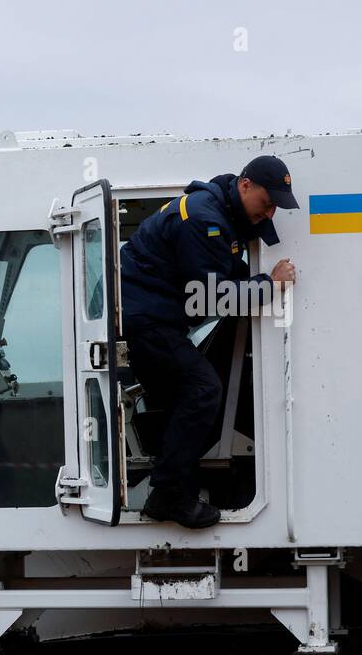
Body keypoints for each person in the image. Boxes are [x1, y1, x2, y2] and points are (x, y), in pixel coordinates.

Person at [120, 155, 298, 529]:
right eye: (267, 204)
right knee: (203, 390)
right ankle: (168, 495)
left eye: (275, 209)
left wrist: (260, 235)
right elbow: (215, 298)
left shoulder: (223, 211)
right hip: (148, 320)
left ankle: (175, 489)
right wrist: (271, 284)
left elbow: (230, 266)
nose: (269, 214)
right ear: (245, 186)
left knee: (184, 400)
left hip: (157, 318)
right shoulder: (204, 220)